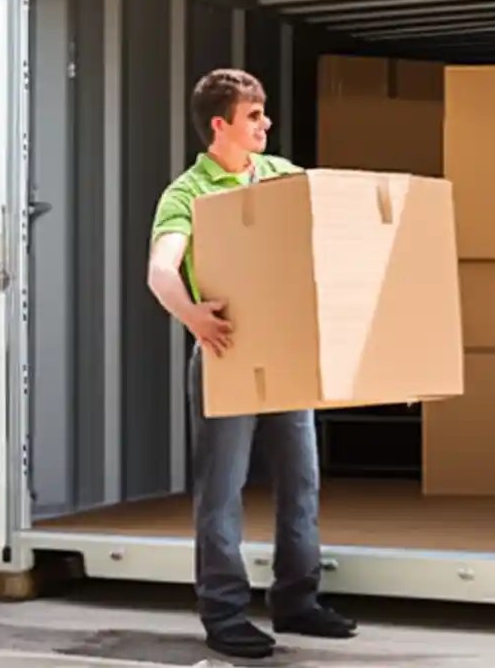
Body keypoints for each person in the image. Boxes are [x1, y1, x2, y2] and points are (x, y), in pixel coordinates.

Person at [147, 68, 356, 659]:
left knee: (301, 481)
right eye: (254, 116)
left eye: (264, 114)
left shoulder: (282, 177)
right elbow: (161, 269)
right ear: (221, 124)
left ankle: (297, 601)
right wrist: (193, 316)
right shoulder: (188, 194)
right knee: (222, 491)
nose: (266, 125)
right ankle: (225, 614)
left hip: (285, 352)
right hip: (225, 353)